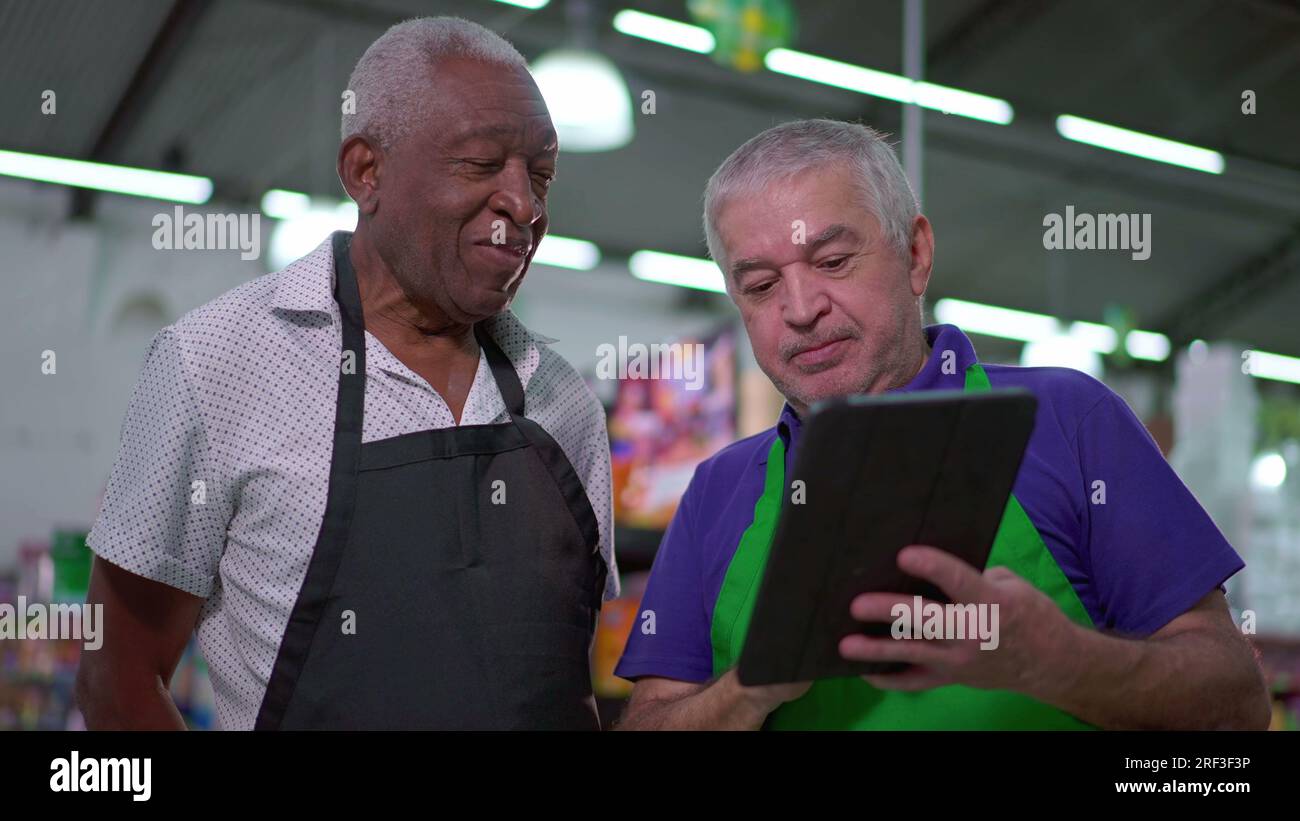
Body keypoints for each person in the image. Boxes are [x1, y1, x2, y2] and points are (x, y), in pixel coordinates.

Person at [614, 118, 1269, 730]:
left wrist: (1062, 660)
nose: (802, 307)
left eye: (833, 261)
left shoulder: (1069, 421)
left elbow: (1236, 699)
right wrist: (746, 689)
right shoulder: (716, 491)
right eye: (759, 285)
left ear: (916, 254)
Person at [76, 17, 617, 730]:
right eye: (483, 165)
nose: (526, 206)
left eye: (540, 175)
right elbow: (117, 681)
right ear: (368, 172)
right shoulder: (215, 362)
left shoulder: (561, 398)